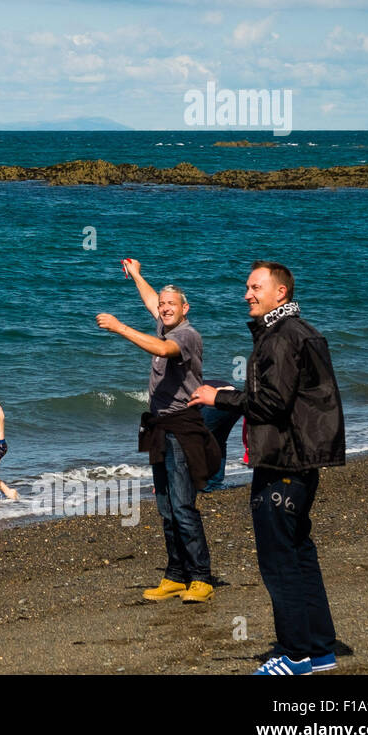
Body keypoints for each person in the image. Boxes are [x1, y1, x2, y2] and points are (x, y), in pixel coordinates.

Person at [189, 261, 344, 676]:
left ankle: (296, 657)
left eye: (255, 287)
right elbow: (292, 398)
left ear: (281, 293)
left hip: (283, 462)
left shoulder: (282, 338)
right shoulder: (301, 332)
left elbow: (273, 404)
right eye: (246, 287)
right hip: (300, 460)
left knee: (279, 561)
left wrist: (219, 397)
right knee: (299, 553)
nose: (247, 295)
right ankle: (320, 649)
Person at [97, 258, 218, 604]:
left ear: (185, 308)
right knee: (165, 507)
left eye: (171, 305)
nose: (164, 309)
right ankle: (176, 575)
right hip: (158, 426)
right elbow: (152, 301)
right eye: (162, 306)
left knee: (182, 506)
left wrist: (121, 328)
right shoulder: (167, 323)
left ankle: (201, 577)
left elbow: (162, 349)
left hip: (182, 427)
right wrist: (136, 275)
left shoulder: (186, 335)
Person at [200, 379, 242, 491]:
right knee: (219, 441)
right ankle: (215, 482)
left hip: (218, 400)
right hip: (236, 400)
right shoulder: (190, 384)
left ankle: (204, 484)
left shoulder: (175, 396)